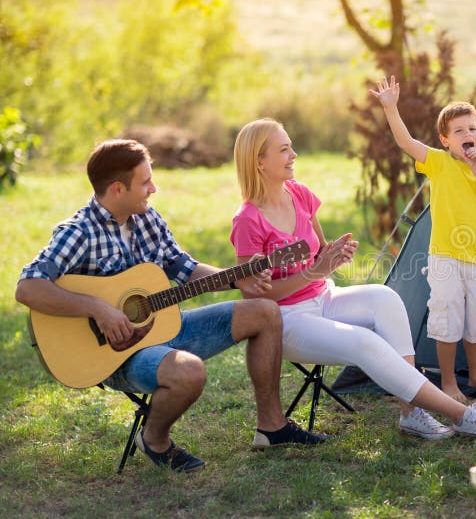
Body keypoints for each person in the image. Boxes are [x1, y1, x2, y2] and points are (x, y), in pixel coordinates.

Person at [15, 139, 325, 473]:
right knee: (189, 371)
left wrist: (238, 278)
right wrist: (98, 308)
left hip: (165, 330)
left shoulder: (147, 220)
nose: (154, 188)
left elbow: (186, 270)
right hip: (117, 353)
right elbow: (28, 288)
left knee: (264, 311)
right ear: (118, 189)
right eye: (145, 182)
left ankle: (272, 427)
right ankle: (155, 439)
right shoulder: (78, 232)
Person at [229, 118, 476, 440]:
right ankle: (461, 416)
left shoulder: (299, 194)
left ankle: (412, 413)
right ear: (259, 161)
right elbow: (256, 300)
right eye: (284, 150)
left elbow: (320, 253)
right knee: (363, 341)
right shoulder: (247, 220)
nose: (294, 154)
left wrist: (334, 253)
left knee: (386, 298)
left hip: (323, 297)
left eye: (291, 147)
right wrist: (316, 270)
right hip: (288, 320)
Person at [371, 75, 476, 403]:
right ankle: (448, 383)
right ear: (445, 140)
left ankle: (475, 376)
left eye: (472, 129)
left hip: (475, 258)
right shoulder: (439, 163)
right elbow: (406, 143)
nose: (468, 135)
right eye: (459, 131)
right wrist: (391, 108)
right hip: (444, 257)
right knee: (446, 319)